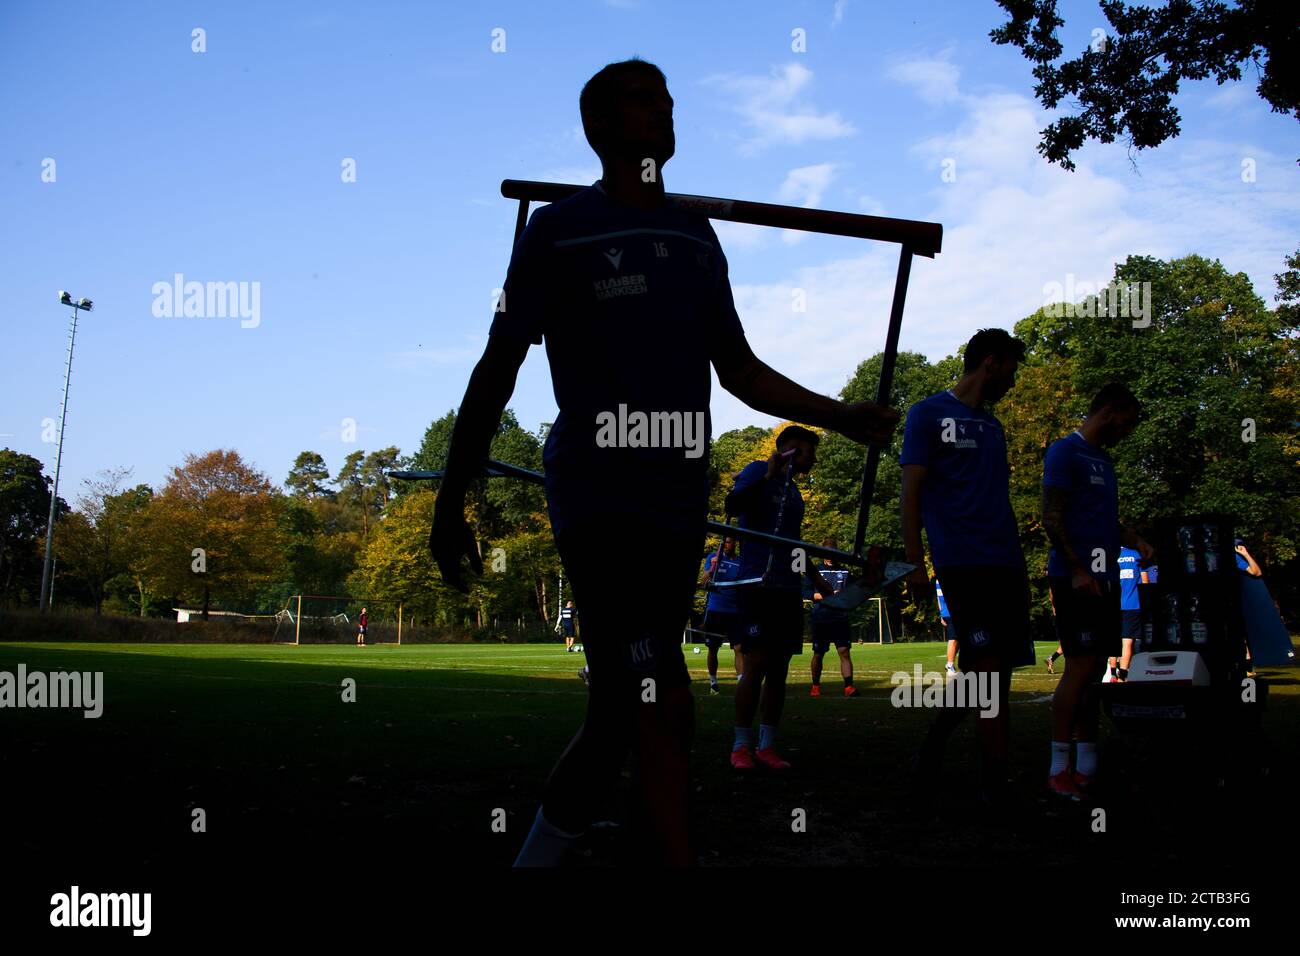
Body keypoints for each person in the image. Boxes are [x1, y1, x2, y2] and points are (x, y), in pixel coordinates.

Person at [428, 58, 898, 866]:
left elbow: (739, 368)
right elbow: (497, 364)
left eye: (668, 100)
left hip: (677, 496)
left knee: (619, 713)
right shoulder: (560, 230)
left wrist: (842, 417)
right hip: (601, 495)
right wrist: (451, 496)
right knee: (664, 700)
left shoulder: (694, 233)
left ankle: (537, 860)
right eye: (643, 101)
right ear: (598, 127)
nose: (664, 112)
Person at [900, 327, 1033, 813]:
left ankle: (934, 746)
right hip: (963, 562)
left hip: (1006, 561)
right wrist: (915, 561)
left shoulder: (993, 425)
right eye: (1012, 369)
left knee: (991, 676)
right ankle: (997, 783)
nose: (1014, 381)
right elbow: (911, 492)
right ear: (991, 363)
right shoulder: (928, 414)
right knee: (989, 670)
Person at [1041, 383, 1153, 801]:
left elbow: (1105, 521)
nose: (1128, 431)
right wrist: (1076, 569)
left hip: (1103, 581)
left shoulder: (1104, 460)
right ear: (1109, 411)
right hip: (1075, 580)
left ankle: (1087, 765)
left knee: (1092, 675)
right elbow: (1051, 517)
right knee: (1079, 669)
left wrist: (1134, 539)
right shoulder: (1064, 452)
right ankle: (1057, 769)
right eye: (1127, 422)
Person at [726, 428, 841, 771]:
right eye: (808, 452)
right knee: (757, 662)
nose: (814, 459)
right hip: (758, 585)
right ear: (790, 450)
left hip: (787, 589)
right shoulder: (757, 470)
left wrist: (818, 578)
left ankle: (767, 745)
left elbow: (794, 544)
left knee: (778, 669)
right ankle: (741, 745)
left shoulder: (794, 493)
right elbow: (733, 506)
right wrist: (769, 474)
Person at [807, 538, 858, 697]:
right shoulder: (815, 571)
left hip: (840, 618)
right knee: (818, 653)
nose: (829, 556)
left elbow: (852, 594)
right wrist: (821, 596)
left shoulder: (845, 572)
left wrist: (843, 595)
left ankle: (849, 687)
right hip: (820, 618)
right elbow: (806, 591)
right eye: (826, 553)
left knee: (844, 652)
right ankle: (815, 686)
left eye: (832, 553)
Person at [699, 536, 743, 693]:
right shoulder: (713, 557)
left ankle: (741, 684)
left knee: (739, 648)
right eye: (723, 542)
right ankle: (713, 683)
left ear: (735, 543)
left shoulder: (740, 561)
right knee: (713, 648)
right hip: (715, 610)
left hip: (735, 611)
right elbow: (703, 582)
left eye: (729, 542)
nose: (725, 545)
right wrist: (711, 569)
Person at [1104, 546, 1143, 682]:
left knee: (1113, 639)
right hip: (1132, 604)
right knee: (1127, 641)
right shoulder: (1136, 555)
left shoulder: (1109, 554)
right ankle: (1123, 676)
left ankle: (1113, 673)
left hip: (1113, 603)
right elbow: (1145, 581)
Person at [935, 578, 956, 676]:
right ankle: (950, 666)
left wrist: (941, 614)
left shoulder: (938, 579)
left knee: (957, 639)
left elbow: (939, 598)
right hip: (951, 612)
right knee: (953, 639)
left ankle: (950, 664)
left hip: (945, 612)